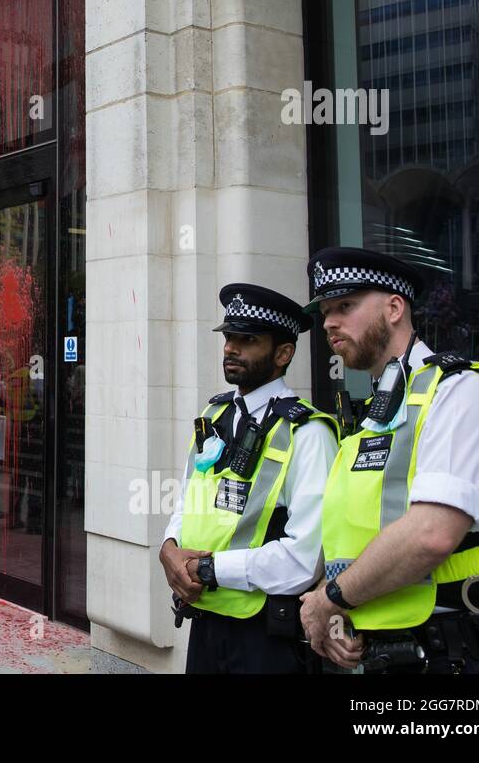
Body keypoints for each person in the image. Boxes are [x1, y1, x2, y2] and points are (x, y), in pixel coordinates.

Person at [298, 248, 479, 674]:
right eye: (326, 311)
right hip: (387, 652)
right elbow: (356, 537)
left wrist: (330, 598)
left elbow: (431, 535)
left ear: (394, 308)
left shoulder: (460, 392)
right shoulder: (378, 413)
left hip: (464, 651)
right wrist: (331, 598)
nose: (330, 322)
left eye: (346, 306)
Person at [158, 285, 339, 674]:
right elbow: (190, 501)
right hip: (206, 622)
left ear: (283, 353)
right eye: (229, 337)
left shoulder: (308, 433)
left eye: (248, 340)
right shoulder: (215, 413)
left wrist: (209, 571)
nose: (230, 348)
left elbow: (307, 558)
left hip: (268, 636)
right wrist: (169, 548)